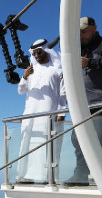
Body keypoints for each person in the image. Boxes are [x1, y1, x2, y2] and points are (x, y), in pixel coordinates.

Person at [67, 16, 102, 184]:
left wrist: (91, 62)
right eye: (78, 33)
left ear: (94, 28)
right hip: (82, 104)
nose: (81, 35)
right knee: (78, 139)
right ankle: (81, 174)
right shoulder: (78, 47)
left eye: (84, 31)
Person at [16, 39, 66, 183]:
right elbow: (20, 90)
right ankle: (24, 176)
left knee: (49, 145)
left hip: (49, 113)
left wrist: (61, 112)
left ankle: (49, 177)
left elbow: (63, 94)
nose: (36, 55)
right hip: (30, 113)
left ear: (46, 51)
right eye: (34, 53)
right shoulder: (31, 71)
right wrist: (25, 77)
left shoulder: (57, 70)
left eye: (39, 52)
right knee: (27, 143)